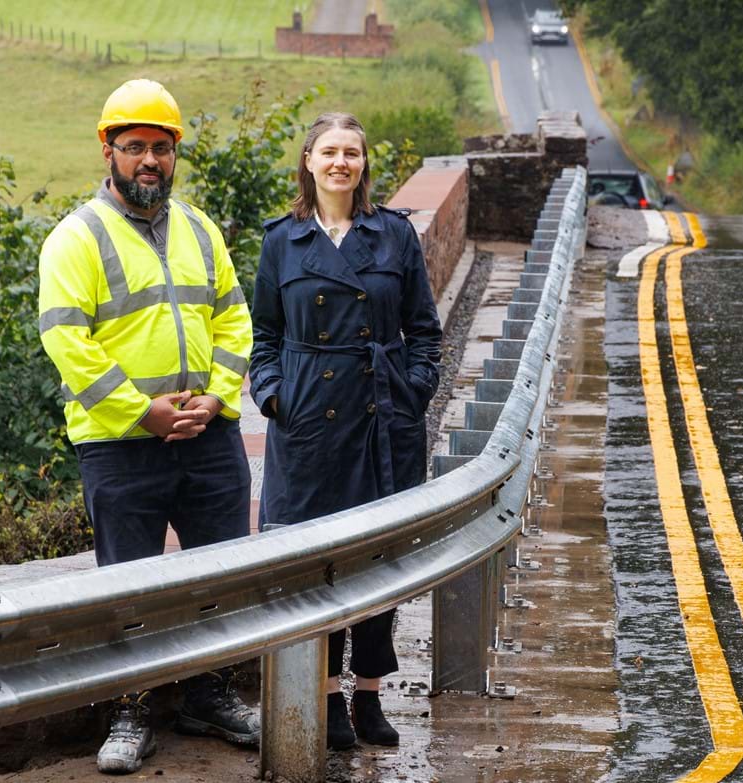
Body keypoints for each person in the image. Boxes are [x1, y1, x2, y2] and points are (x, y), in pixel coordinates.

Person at [37, 78, 260, 775]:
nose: (148, 161)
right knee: (127, 583)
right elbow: (68, 342)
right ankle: (129, 708)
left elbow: (233, 317)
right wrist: (142, 410)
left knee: (219, 572)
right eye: (133, 147)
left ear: (175, 155)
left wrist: (218, 398)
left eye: (160, 148)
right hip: (119, 443)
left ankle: (207, 692)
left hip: (209, 435)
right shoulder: (76, 237)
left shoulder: (200, 229)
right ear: (107, 151)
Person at [250, 112, 442, 751]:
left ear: (363, 164)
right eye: (328, 151)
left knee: (378, 557)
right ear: (308, 161)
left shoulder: (392, 235)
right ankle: (328, 697)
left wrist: (412, 395)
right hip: (306, 421)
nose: (340, 163)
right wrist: (274, 397)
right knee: (317, 561)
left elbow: (424, 330)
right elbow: (265, 337)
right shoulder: (282, 240)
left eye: (351, 153)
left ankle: (370, 694)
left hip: (381, 416)